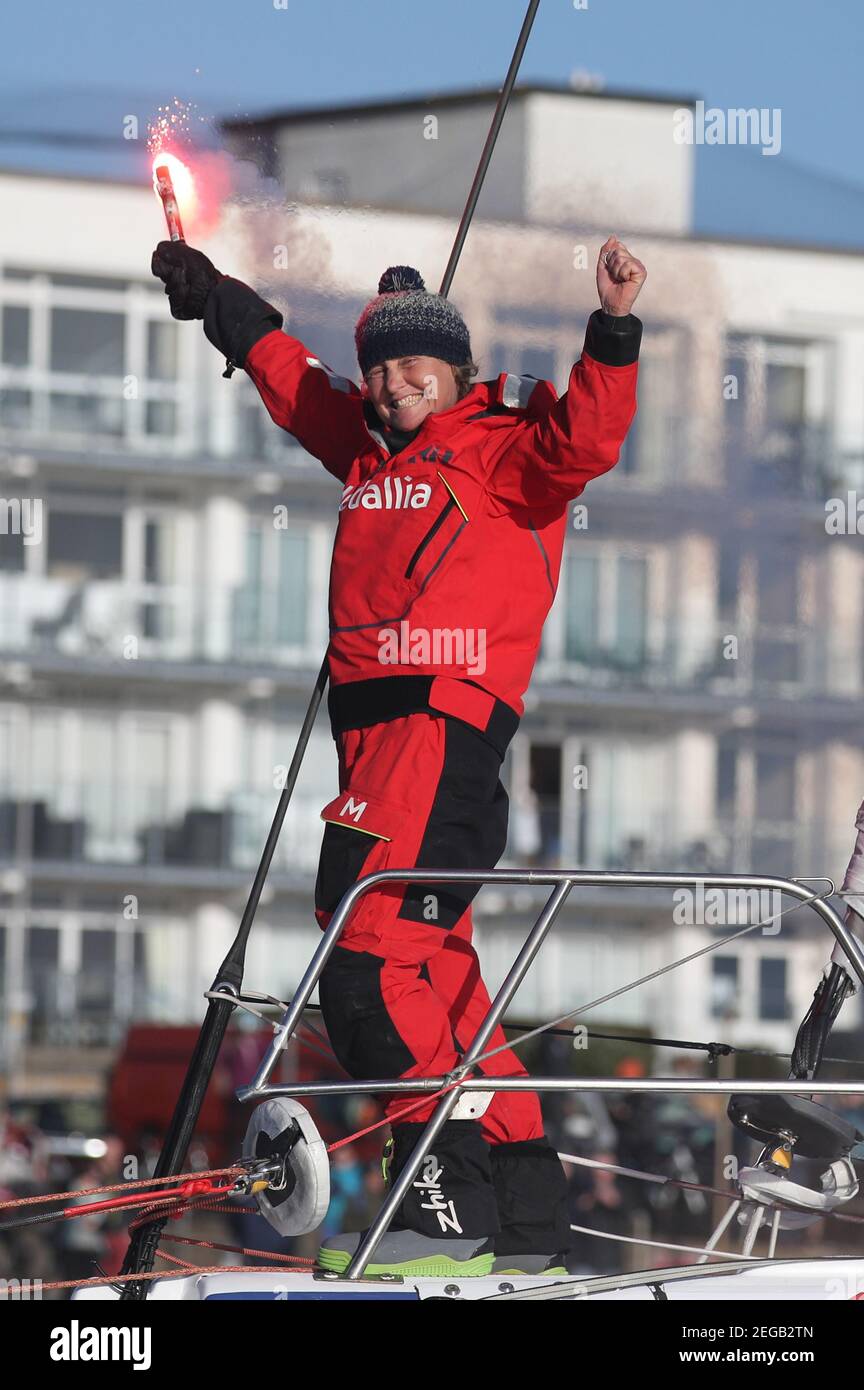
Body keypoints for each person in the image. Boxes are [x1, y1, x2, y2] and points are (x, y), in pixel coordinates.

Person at [151, 232, 646, 1277]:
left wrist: (611, 330)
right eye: (378, 366)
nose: (390, 382)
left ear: (457, 370)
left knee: (364, 970)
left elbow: (588, 442)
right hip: (376, 744)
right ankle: (526, 1225)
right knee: (438, 978)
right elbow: (294, 381)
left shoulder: (504, 446)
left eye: (415, 363)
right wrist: (219, 304)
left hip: (437, 729)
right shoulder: (370, 447)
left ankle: (443, 1214)